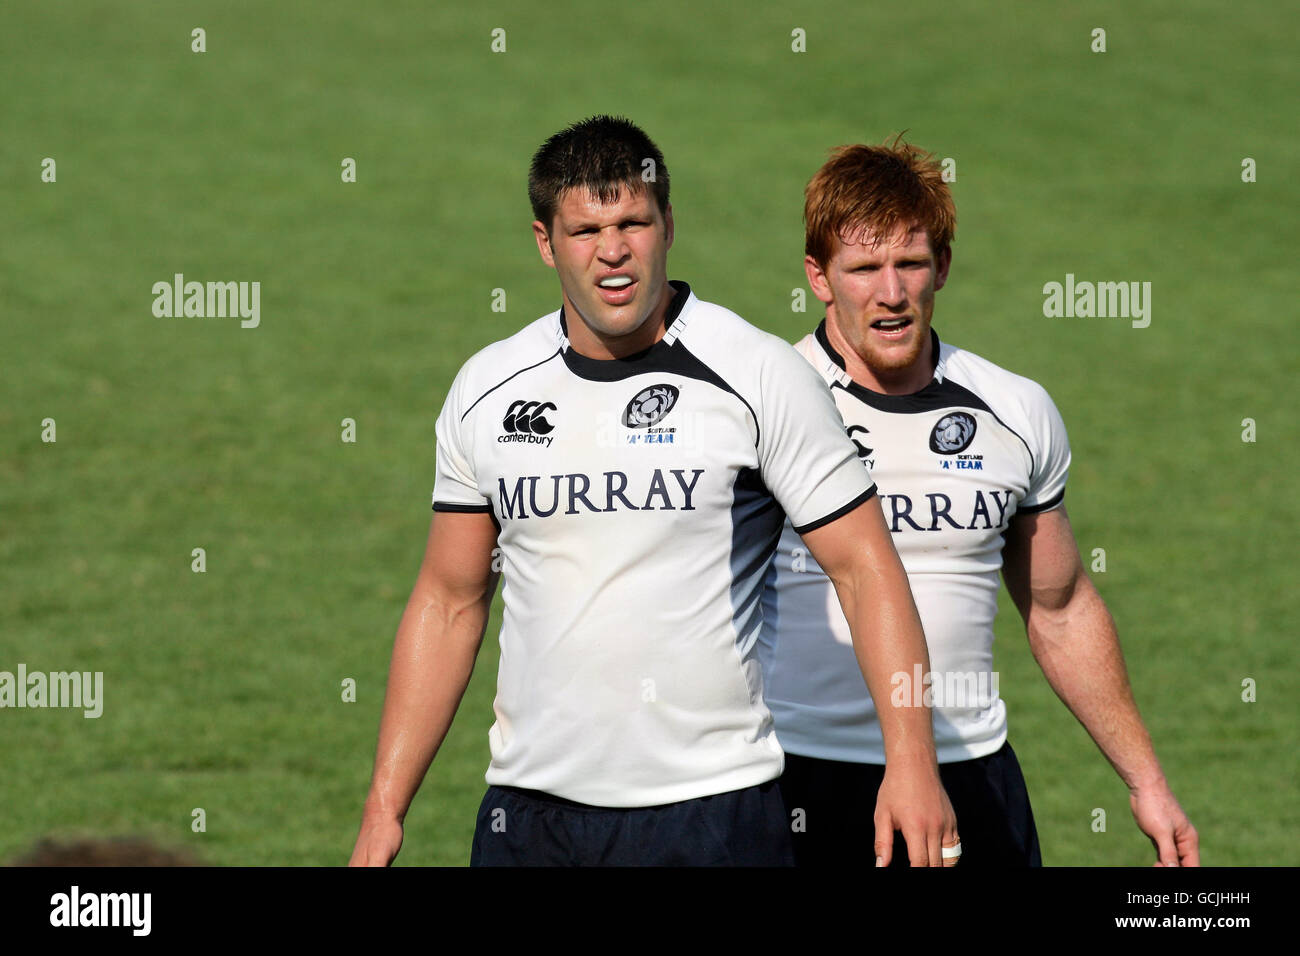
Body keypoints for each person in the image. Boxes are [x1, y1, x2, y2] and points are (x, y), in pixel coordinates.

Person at [349, 116, 958, 867]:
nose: (613, 250)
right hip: (529, 818)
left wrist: (913, 762)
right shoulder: (485, 389)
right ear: (545, 242)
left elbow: (867, 570)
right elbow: (449, 601)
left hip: (713, 815)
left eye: (634, 221)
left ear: (668, 224)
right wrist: (384, 809)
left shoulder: (759, 375)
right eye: (585, 230)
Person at [760, 138, 1199, 867]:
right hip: (801, 778)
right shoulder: (765, 404)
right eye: (864, 269)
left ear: (944, 267)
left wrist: (1146, 781)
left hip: (971, 774)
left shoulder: (1015, 410)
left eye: (911, 264)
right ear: (819, 278)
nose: (891, 293)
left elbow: (1058, 609)